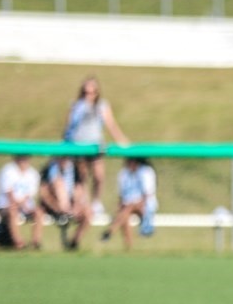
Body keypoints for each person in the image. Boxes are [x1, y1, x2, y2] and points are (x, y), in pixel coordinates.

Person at [63, 77, 130, 217]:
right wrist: (65, 146)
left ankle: (96, 202)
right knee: (82, 176)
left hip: (95, 145)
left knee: (99, 175)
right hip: (78, 146)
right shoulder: (76, 106)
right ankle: (84, 204)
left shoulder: (102, 106)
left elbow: (110, 124)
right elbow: (68, 127)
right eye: (86, 92)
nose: (89, 95)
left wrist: (121, 140)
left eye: (92, 92)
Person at [100, 157, 157, 250]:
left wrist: (131, 204)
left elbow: (147, 195)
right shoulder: (124, 173)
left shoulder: (146, 171)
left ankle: (110, 231)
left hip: (145, 205)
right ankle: (129, 247)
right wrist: (120, 206)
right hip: (127, 206)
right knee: (124, 216)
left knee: (127, 209)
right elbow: (121, 196)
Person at [39, 157, 92, 251]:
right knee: (58, 183)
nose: (64, 161)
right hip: (53, 206)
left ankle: (74, 243)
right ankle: (36, 244)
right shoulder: (49, 170)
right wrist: (57, 208)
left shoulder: (74, 170)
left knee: (88, 213)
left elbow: (79, 189)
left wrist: (76, 206)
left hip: (71, 206)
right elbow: (44, 194)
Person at [0, 155, 43, 250]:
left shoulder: (33, 173)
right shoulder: (8, 170)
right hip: (6, 206)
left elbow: (29, 194)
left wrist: (25, 206)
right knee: (13, 211)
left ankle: (35, 243)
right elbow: (9, 193)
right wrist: (19, 205)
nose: (24, 161)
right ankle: (19, 243)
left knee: (39, 212)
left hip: (25, 206)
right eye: (21, 158)